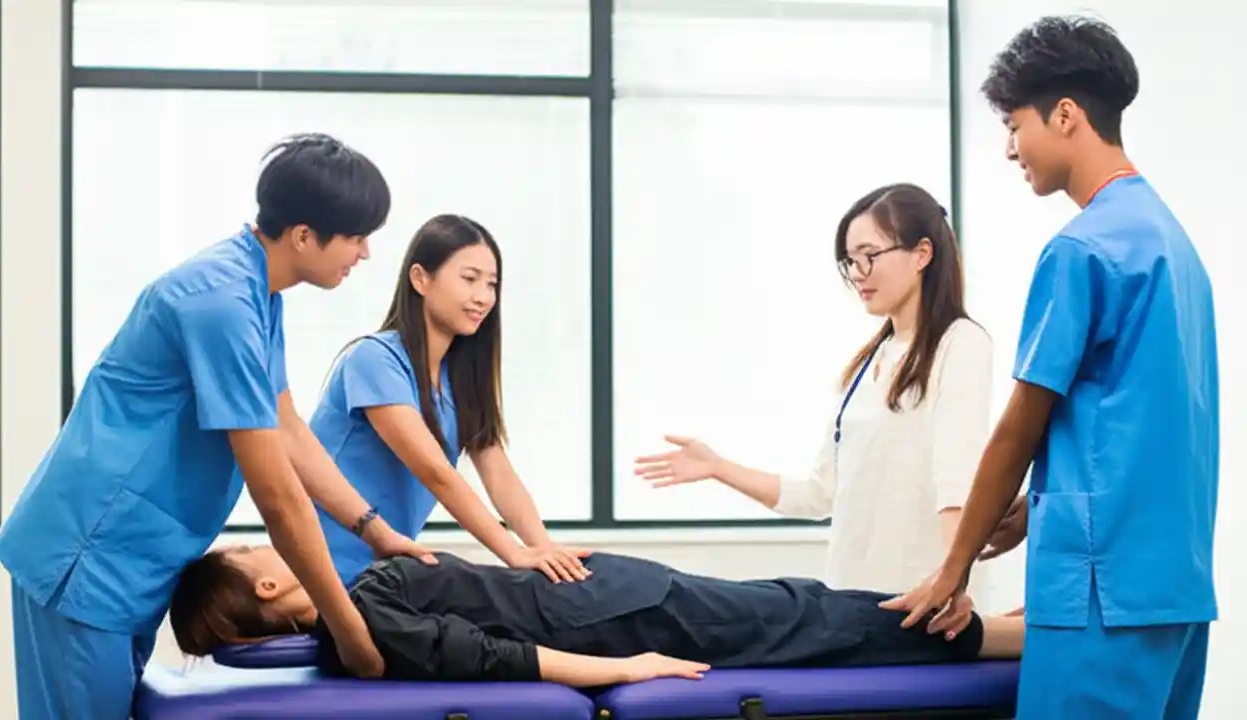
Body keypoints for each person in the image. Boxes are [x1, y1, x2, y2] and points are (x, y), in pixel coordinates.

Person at [0, 133, 435, 720]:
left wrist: (373, 531)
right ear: (304, 236)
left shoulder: (258, 294)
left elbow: (287, 430)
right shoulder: (221, 302)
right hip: (88, 556)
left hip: (133, 561)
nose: (365, 254)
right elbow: (277, 495)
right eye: (356, 237)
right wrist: (346, 627)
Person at [882, 16, 1219, 720]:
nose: (1010, 149)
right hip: (1173, 588)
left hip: (1100, 593)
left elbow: (1019, 427)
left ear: (1065, 115)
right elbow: (1134, 419)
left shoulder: (1082, 249)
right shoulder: (1173, 245)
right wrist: (1038, 511)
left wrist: (953, 568)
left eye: (1013, 124)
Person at [635, 184, 992, 620]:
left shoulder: (960, 344)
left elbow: (958, 486)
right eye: (850, 261)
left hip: (918, 603)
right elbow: (820, 495)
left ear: (921, 254)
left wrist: (951, 584)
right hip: (847, 601)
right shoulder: (867, 364)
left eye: (869, 255)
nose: (858, 272)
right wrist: (717, 467)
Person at [167, 544, 1025, 687]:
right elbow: (493, 657)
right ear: (272, 591)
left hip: (611, 598)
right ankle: (999, 637)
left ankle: (998, 628)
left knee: (794, 608)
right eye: (256, 555)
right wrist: (626, 669)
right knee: (803, 619)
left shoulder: (359, 615)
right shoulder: (363, 622)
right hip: (619, 620)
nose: (272, 549)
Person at [309, 214, 588, 587]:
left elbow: (498, 472)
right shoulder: (374, 360)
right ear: (420, 278)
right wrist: (514, 553)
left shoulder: (459, 381)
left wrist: (544, 550)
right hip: (326, 574)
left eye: (492, 285)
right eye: (469, 279)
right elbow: (436, 472)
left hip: (383, 577)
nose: (483, 297)